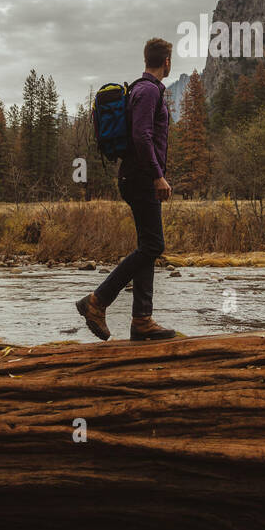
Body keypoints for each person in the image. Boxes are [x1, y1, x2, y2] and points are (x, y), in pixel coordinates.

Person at [77, 37, 177, 342]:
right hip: (141, 178)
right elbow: (142, 136)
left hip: (136, 176)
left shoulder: (139, 89)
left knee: (148, 246)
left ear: (147, 59)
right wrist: (158, 176)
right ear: (167, 62)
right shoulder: (148, 91)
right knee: (153, 246)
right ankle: (97, 301)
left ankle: (142, 320)